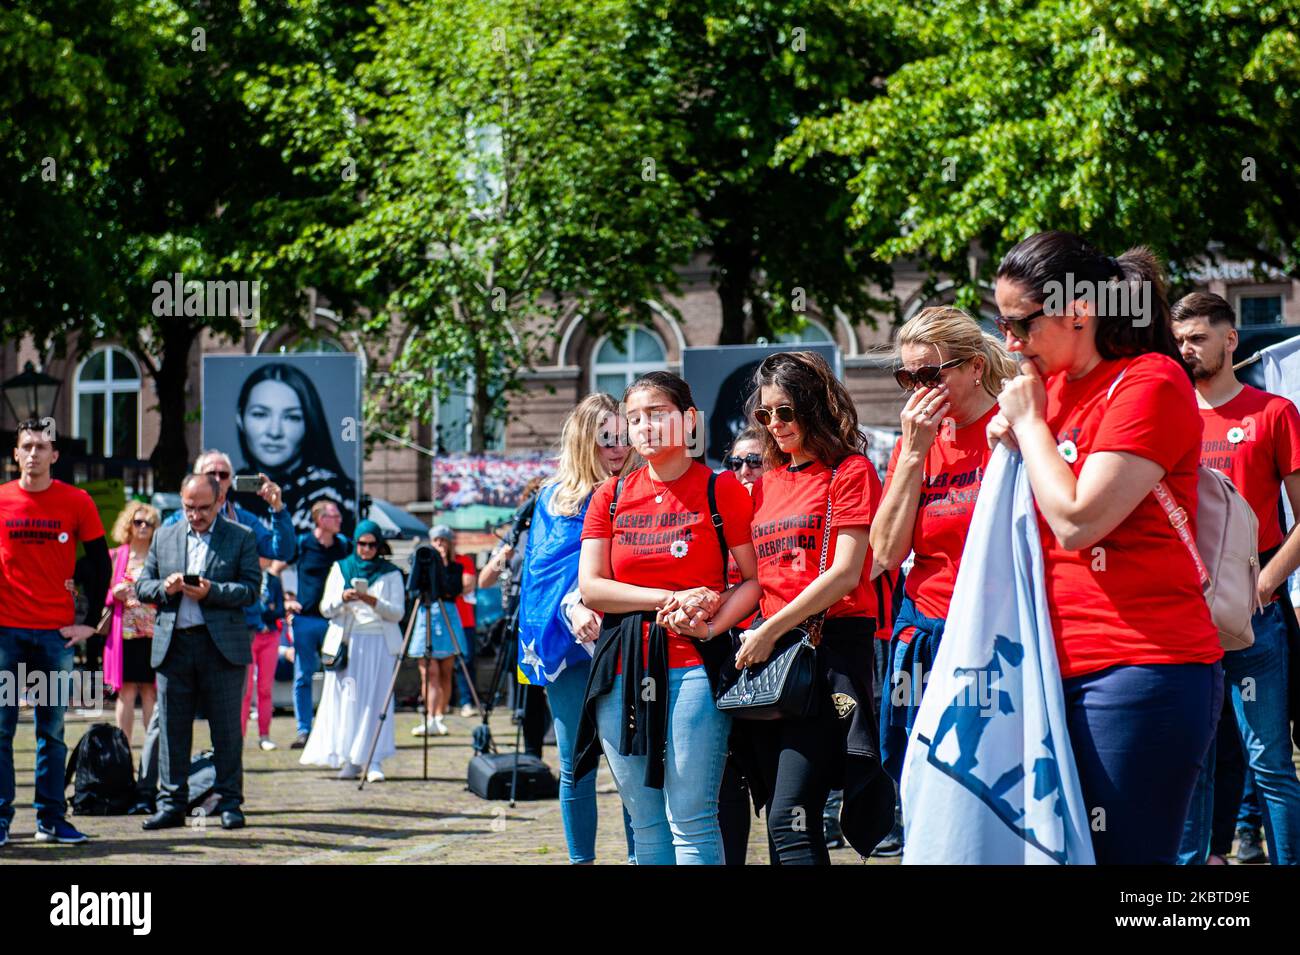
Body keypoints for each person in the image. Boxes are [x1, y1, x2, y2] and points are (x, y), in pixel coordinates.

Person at [986, 230, 1223, 864]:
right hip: (1044, 668)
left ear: (1078, 313)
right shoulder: (1053, 389)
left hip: (1140, 669)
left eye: (1019, 325)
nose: (1010, 344)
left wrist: (1031, 426)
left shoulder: (1152, 382)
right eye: (1000, 325)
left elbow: (1078, 521)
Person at [574, 371, 760, 865]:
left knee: (692, 816)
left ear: (689, 420)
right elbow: (592, 587)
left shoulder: (722, 490)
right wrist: (668, 597)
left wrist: (713, 617)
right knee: (645, 819)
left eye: (657, 414)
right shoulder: (609, 496)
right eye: (634, 418)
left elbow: (755, 581)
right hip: (621, 670)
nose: (645, 427)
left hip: (695, 664)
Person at [871, 306, 1016, 856]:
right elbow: (886, 552)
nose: (918, 390)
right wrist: (911, 453)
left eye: (931, 375)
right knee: (923, 783)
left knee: (988, 785)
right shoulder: (920, 442)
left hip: (994, 637)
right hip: (927, 630)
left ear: (975, 368)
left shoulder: (1010, 429)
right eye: (907, 377)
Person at [735, 351, 889, 864]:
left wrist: (769, 629)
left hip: (828, 650)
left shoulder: (850, 471)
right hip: (772, 656)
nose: (774, 425)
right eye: (764, 415)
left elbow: (846, 572)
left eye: (785, 411)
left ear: (815, 406)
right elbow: (753, 576)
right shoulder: (765, 483)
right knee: (782, 817)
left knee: (792, 813)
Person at [1171, 291, 1300, 865]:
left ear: (1230, 338)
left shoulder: (1273, 413)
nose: (1187, 350)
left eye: (1198, 338)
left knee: (1269, 760)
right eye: (1179, 341)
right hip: (1184, 615)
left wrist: (1266, 584)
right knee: (1192, 762)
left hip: (1258, 613)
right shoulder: (1168, 415)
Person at [134, 449, 294, 811]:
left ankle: (227, 799)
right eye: (213, 473)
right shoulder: (174, 525)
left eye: (224, 475)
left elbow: (281, 552)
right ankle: (156, 796)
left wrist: (278, 510)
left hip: (224, 642)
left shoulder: (243, 528)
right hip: (176, 644)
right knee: (167, 725)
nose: (220, 481)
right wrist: (167, 587)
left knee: (226, 726)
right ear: (193, 485)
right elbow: (146, 583)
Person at [514, 394, 631, 863]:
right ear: (586, 439)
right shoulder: (553, 497)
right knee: (576, 765)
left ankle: (640, 857)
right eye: (607, 438)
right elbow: (541, 570)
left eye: (624, 436)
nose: (618, 446)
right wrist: (571, 604)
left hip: (627, 639)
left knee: (631, 764)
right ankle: (582, 861)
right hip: (569, 646)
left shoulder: (643, 488)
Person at [0, 420, 111, 847]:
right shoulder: (2, 500)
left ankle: (50, 819)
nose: (33, 454)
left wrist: (92, 623)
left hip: (53, 635)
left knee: (51, 731)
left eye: (42, 447)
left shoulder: (77, 500)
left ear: (54, 456)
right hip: (6, 634)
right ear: (15, 454)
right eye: (26, 446)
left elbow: (101, 564)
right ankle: (1, 820)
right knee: (2, 731)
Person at [300, 521, 406, 782]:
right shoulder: (341, 567)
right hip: (349, 644)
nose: (366, 549)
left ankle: (374, 758)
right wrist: (343, 599)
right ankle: (350, 758)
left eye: (371, 545)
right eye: (362, 544)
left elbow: (398, 612)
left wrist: (373, 601)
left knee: (376, 700)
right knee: (349, 700)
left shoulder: (391, 573)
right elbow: (326, 608)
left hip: (379, 643)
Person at [232, 362, 357, 536]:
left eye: (291, 417)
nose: (275, 431)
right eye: (260, 414)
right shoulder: (228, 490)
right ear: (240, 418)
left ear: (309, 423)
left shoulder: (334, 492)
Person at [479, 475, 548, 756]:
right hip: (520, 613)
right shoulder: (517, 533)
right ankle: (533, 751)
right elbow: (484, 579)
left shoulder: (558, 530)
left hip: (549, 613)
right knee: (528, 687)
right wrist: (503, 557)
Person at [283, 500, 351, 747]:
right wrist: (285, 599)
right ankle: (305, 730)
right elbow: (273, 567)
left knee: (339, 674)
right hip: (306, 620)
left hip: (334, 620)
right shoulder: (303, 544)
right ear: (321, 519)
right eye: (334, 516)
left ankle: (335, 729)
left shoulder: (343, 546)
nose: (339, 520)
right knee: (303, 676)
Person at [104, 502, 163, 747]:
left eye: (148, 523)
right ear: (128, 524)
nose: (143, 527)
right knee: (126, 691)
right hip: (124, 634)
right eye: (138, 521)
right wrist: (113, 594)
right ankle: (123, 750)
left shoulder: (160, 557)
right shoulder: (116, 556)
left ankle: (152, 752)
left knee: (150, 692)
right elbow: (102, 594)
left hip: (154, 633)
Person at [409, 525, 468, 737]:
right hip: (426, 613)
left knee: (445, 671)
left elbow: (453, 590)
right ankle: (429, 716)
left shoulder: (454, 567)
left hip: (447, 615)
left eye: (443, 540)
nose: (440, 544)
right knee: (429, 671)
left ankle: (440, 716)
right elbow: (414, 589)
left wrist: (442, 566)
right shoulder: (422, 564)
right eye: (436, 541)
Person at [240, 560, 288, 751]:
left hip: (270, 636)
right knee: (245, 690)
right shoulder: (244, 577)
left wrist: (265, 613)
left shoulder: (273, 580)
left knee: (265, 688)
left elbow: (279, 609)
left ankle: (264, 735)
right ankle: (239, 736)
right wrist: (263, 612)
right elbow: (247, 606)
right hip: (248, 635)